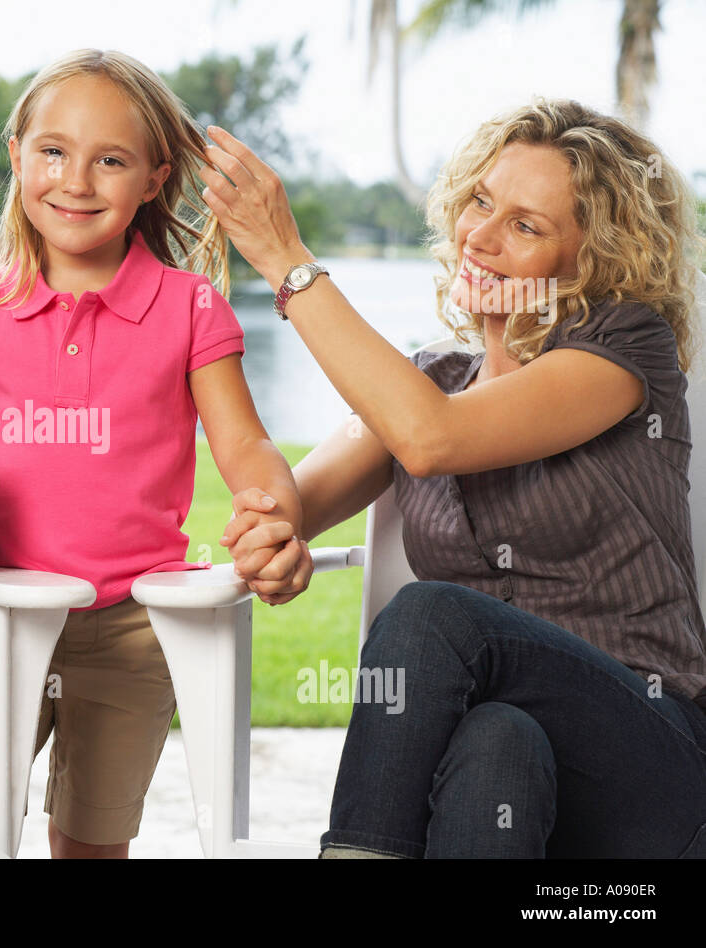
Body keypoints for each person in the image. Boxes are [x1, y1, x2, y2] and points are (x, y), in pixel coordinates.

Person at [209, 99, 706, 857]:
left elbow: (429, 437)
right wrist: (268, 524)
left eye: (525, 225)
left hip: (648, 760)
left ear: (593, 260)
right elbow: (290, 502)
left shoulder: (626, 350)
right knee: (496, 742)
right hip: (511, 764)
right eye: (481, 201)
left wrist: (286, 261)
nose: (479, 237)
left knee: (432, 612)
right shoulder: (431, 379)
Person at [0, 48, 312, 859]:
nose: (76, 180)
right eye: (52, 151)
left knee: (88, 846)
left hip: (134, 631)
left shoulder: (192, 310)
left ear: (155, 179)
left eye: (110, 160)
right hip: (1, 617)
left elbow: (248, 445)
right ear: (17, 156)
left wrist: (273, 512)